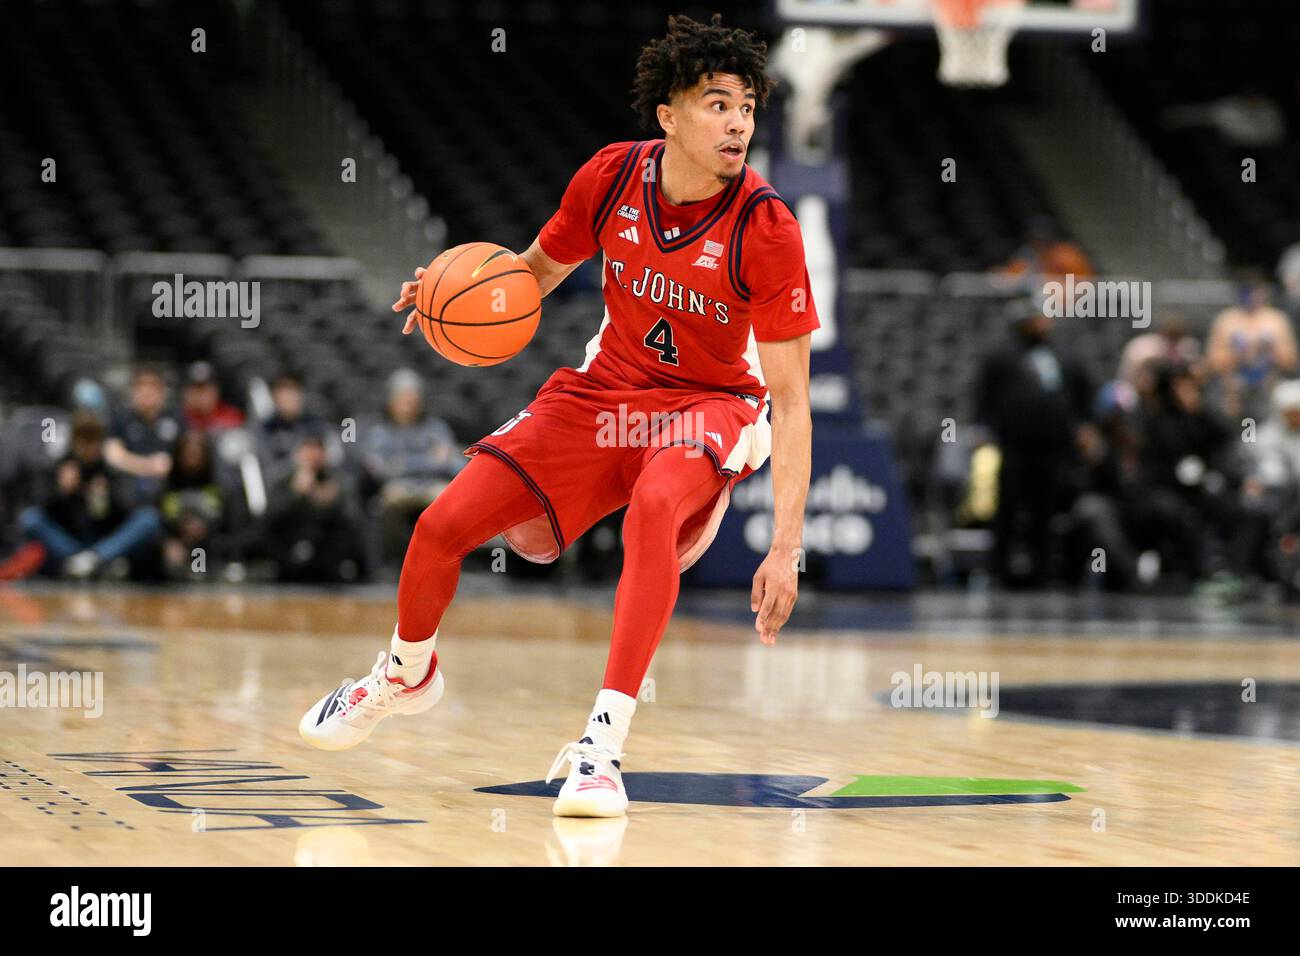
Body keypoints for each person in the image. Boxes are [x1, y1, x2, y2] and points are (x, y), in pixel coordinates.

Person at [299, 14, 819, 818]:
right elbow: (536, 273)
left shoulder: (765, 225)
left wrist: (786, 547)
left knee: (652, 508)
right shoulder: (612, 176)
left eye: (748, 107)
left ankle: (601, 749)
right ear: (669, 116)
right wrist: (450, 292)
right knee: (440, 526)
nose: (739, 123)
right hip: (603, 387)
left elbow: (789, 399)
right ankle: (406, 673)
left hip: (713, 402)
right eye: (719, 104)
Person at [974, 299, 1095, 587]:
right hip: (1014, 447)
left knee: (1045, 510)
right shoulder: (1002, 356)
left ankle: (1041, 572)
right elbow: (984, 396)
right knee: (1008, 508)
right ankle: (999, 571)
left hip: (1054, 449)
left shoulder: (1063, 356)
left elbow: (1083, 394)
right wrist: (982, 429)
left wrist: (1085, 428)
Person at [13, 412, 162, 580]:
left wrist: (107, 497)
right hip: (69, 543)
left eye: (93, 442)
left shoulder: (110, 470)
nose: (89, 449)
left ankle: (91, 561)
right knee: (29, 518)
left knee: (149, 518)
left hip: (104, 542)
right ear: (74, 442)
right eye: (84, 442)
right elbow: (39, 506)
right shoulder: (59, 467)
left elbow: (128, 510)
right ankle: (91, 564)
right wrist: (62, 492)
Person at [360, 368, 465, 566]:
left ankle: (439, 562)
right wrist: (430, 461)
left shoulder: (436, 428)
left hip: (431, 486)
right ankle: (397, 563)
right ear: (390, 400)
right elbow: (379, 469)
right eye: (403, 397)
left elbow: (455, 465)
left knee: (446, 498)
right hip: (397, 487)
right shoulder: (379, 431)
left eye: (413, 397)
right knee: (392, 497)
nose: (409, 402)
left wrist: (402, 462)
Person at [266, 433, 366, 583]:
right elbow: (268, 517)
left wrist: (331, 503)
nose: (312, 457)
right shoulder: (281, 477)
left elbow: (353, 518)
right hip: (287, 551)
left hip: (327, 555)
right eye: (307, 451)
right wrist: (295, 494)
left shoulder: (339, 480)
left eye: (317, 451)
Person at [1205, 279, 1297, 421]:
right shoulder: (1227, 319)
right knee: (1228, 403)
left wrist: (1269, 350)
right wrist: (1238, 353)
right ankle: (1241, 439)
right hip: (1233, 385)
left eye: (1257, 293)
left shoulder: (1276, 319)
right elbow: (1213, 363)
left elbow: (1290, 361)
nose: (1253, 298)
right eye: (1248, 293)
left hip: (1269, 383)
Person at [104, 365, 181, 507]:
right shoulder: (121, 418)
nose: (147, 391)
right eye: (141, 386)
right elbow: (113, 456)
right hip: (129, 487)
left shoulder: (176, 418)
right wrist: (149, 466)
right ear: (132, 392)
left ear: (163, 392)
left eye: (152, 386)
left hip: (169, 488)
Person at [180, 361, 245, 433]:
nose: (200, 396)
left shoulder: (231, 418)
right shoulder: (179, 419)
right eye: (195, 389)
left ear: (216, 392)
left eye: (204, 390)